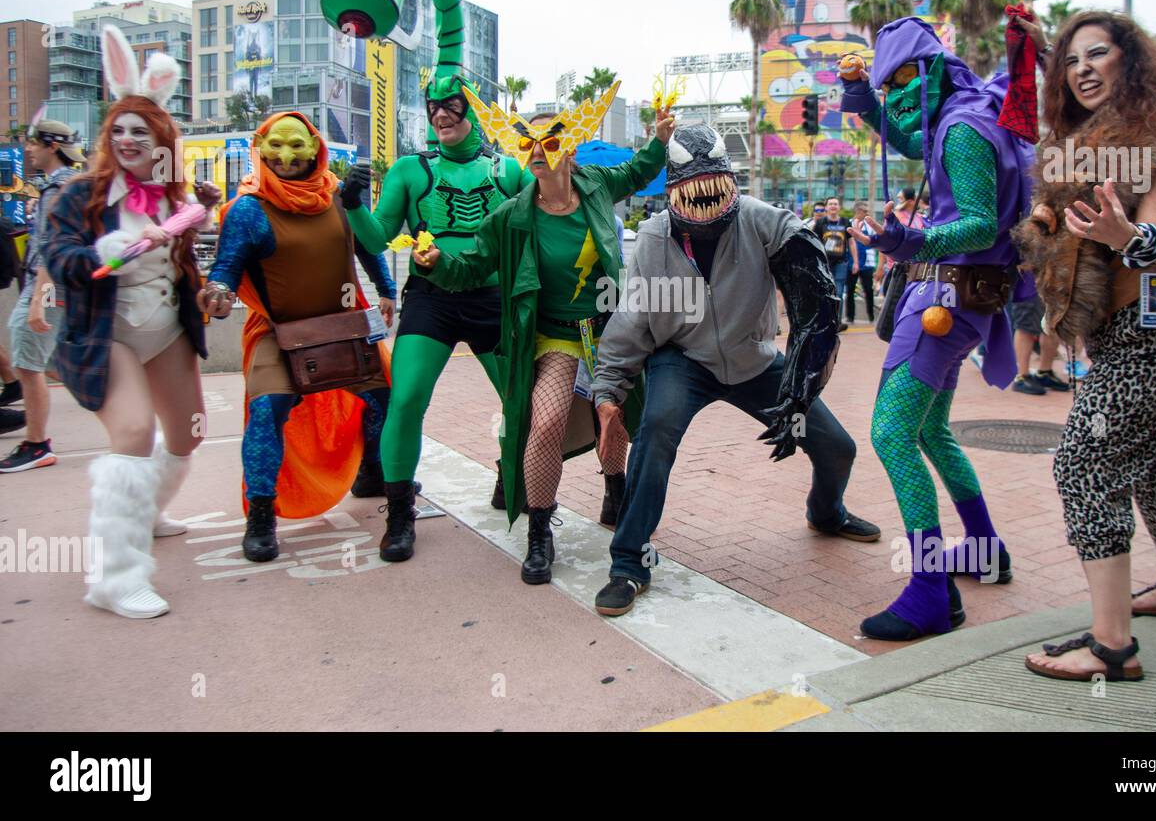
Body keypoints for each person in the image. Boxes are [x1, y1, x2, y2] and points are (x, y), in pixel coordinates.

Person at [589, 124, 880, 616]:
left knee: (836, 446)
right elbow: (633, 317)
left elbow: (809, 280)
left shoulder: (761, 222)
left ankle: (825, 512)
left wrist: (804, 379)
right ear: (674, 185)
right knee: (656, 431)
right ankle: (628, 563)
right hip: (682, 360)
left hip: (754, 363)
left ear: (729, 178)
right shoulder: (657, 239)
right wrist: (608, 390)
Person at [1014, 11, 1156, 681]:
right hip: (1127, 333)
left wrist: (1122, 234)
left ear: (1128, 62)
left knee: (1085, 461)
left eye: (1097, 54)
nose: (1081, 69)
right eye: (1070, 61)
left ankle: (1112, 646)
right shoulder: (1085, 147)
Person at [419, 88, 671, 584]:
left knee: (617, 417)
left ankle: (614, 489)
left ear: (570, 147)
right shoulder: (513, 215)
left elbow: (640, 171)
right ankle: (540, 530)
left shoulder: (596, 184)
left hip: (607, 329)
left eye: (550, 140)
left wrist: (659, 140)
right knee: (547, 421)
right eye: (527, 143)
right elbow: (470, 267)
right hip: (555, 336)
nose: (538, 150)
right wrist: (435, 264)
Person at [839, 16, 1034, 640]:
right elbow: (909, 137)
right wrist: (865, 100)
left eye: (901, 78)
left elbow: (979, 225)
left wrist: (908, 237)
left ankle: (929, 590)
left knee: (891, 434)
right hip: (965, 302)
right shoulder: (968, 114)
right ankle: (983, 548)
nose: (896, 90)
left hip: (944, 300)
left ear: (930, 70)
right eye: (884, 81)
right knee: (932, 432)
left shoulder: (964, 128)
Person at [43, 25, 213, 619]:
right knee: (135, 433)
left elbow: (184, 266)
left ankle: (146, 509)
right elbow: (58, 260)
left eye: (141, 129)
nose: (128, 138)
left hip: (165, 330)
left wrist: (206, 288)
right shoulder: (78, 196)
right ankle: (115, 577)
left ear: (162, 136)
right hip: (105, 335)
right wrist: (107, 249)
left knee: (189, 431)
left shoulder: (176, 197)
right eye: (118, 129)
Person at [200, 111, 402, 563]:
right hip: (278, 331)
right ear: (261, 147)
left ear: (315, 149)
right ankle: (261, 514)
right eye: (276, 145)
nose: (286, 155)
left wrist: (387, 291)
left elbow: (368, 247)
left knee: (389, 398)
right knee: (267, 407)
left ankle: (373, 471)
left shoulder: (338, 198)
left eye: (297, 145)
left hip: (344, 325)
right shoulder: (248, 209)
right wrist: (216, 292)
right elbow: (226, 270)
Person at [340, 75, 532, 528]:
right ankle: (401, 513)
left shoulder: (509, 171)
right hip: (432, 299)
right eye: (433, 107)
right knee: (405, 399)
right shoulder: (412, 170)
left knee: (518, 399)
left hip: (493, 300)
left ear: (472, 110)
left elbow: (539, 234)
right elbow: (376, 237)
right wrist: (351, 205)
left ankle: (510, 474)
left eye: (452, 105)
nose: (441, 114)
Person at [0, 120, 82, 474]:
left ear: (52, 146)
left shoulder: (60, 190)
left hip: (47, 284)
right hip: (47, 282)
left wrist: (39, 298)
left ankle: (37, 444)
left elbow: (53, 248)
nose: (28, 150)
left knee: (29, 359)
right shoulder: (58, 186)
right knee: (30, 355)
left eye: (33, 144)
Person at [1009, 276, 1069, 395]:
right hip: (1030, 278)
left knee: (1053, 323)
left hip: (1054, 276)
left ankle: (1044, 372)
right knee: (1025, 325)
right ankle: (1022, 376)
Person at [813, 195, 850, 331]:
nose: (833, 206)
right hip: (824, 264)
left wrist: (855, 262)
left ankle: (836, 322)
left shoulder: (846, 222)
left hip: (841, 262)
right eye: (830, 204)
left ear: (839, 207)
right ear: (826, 207)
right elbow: (814, 241)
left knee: (839, 292)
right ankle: (823, 321)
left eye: (835, 204)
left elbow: (851, 242)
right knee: (823, 292)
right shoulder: (820, 223)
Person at [845, 201, 876, 323]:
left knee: (869, 290)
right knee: (850, 290)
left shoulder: (870, 227)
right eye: (865, 211)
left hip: (867, 264)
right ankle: (850, 317)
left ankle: (871, 316)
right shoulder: (849, 225)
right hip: (851, 263)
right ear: (858, 211)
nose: (867, 213)